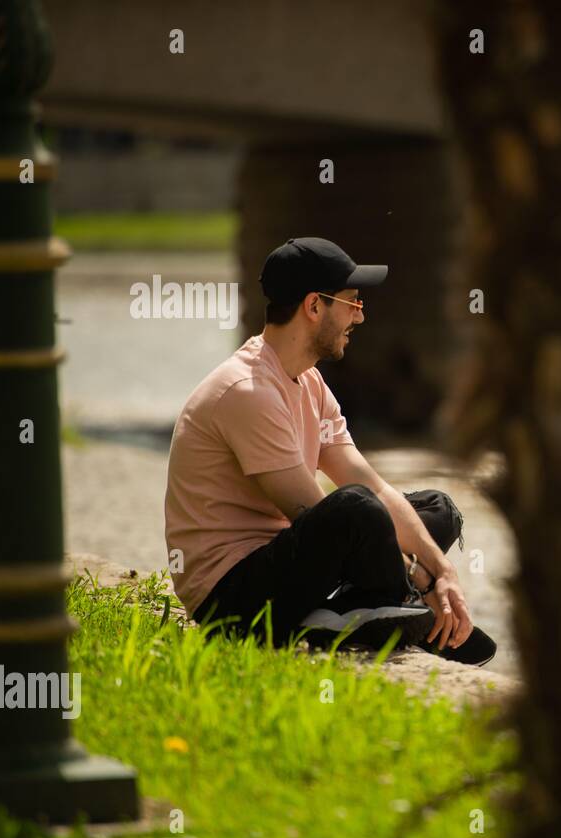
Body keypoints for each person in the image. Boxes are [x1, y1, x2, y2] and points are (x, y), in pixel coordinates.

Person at [164, 236, 495, 665]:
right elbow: (313, 510)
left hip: (286, 564)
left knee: (437, 509)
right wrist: (421, 577)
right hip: (232, 598)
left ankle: (362, 611)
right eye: (352, 302)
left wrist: (444, 570)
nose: (360, 315)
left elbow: (369, 482)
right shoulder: (247, 390)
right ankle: (386, 608)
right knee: (355, 510)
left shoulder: (310, 382)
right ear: (314, 306)